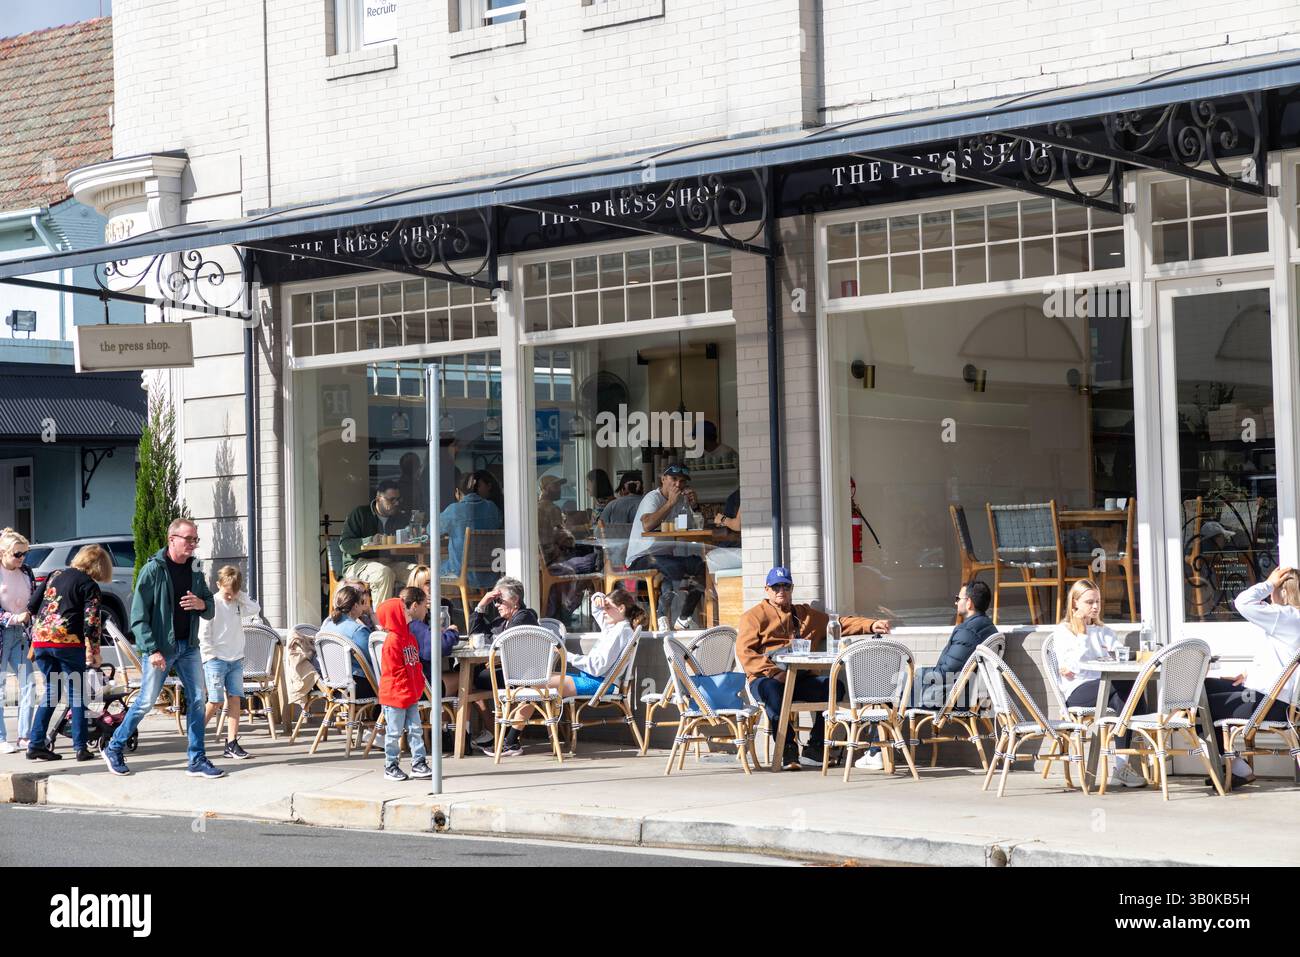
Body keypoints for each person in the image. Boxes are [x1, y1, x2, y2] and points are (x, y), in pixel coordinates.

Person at [736, 566, 888, 770]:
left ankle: (815, 748)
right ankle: (787, 749)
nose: (781, 591)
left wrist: (871, 625)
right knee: (774, 692)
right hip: (766, 679)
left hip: (800, 678)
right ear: (767, 589)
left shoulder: (805, 615)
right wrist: (774, 672)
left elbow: (839, 623)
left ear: (792, 588)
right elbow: (745, 653)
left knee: (834, 687)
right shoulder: (753, 617)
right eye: (776, 587)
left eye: (786, 586)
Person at [104, 520, 219, 778]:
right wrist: (152, 650)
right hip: (160, 648)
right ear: (172, 539)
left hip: (188, 646)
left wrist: (201, 603)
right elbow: (138, 617)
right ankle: (114, 746)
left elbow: (210, 605)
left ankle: (197, 759)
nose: (193, 544)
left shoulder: (196, 568)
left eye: (195, 539)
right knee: (146, 702)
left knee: (199, 699)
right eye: (189, 539)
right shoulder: (152, 570)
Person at [1208, 567, 1300, 787]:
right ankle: (1234, 765)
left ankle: (1236, 767)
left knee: (1199, 703)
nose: (1270, 596)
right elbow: (1281, 658)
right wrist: (1248, 674)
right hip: (1272, 700)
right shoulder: (1292, 619)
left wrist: (1268, 583)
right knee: (1205, 686)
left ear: (1284, 591)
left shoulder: (1285, 615)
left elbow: (1243, 602)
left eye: (1274, 589)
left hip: (1266, 704)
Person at [1050, 578, 1144, 788]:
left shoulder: (1105, 632)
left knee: (1129, 689)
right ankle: (1143, 738)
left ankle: (1121, 765)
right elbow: (1071, 667)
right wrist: (1082, 633)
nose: (1095, 606)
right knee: (1122, 687)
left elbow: (1119, 658)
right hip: (1077, 692)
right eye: (1089, 602)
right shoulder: (1064, 631)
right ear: (1074, 603)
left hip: (1104, 687)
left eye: (1098, 602)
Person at [25, 545, 110, 762]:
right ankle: (81, 747)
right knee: (77, 694)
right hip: (68, 644)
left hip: (42, 641)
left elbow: (33, 606)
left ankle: (35, 744)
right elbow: (92, 624)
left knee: (51, 692)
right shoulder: (90, 586)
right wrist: (95, 652)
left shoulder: (55, 575)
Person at [624, 464, 706, 630]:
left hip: (665, 558)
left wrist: (693, 506)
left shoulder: (680, 500)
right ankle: (660, 616)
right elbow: (647, 524)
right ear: (663, 479)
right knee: (669, 568)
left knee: (701, 566)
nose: (678, 484)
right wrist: (669, 503)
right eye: (674, 479)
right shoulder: (652, 498)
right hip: (641, 558)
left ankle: (684, 617)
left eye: (682, 481)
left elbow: (689, 528)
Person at [199, 565, 260, 761]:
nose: (229, 596)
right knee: (215, 700)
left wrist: (239, 594)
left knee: (235, 699)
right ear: (218, 585)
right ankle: (196, 737)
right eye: (227, 592)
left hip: (235, 659)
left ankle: (231, 742)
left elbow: (255, 608)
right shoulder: (213, 603)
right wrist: (210, 655)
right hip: (216, 659)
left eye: (233, 593)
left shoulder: (237, 603)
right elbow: (204, 633)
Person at [375, 589, 435, 781]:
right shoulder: (392, 641)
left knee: (416, 729)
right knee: (393, 733)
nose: (407, 611)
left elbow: (415, 665)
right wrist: (409, 687)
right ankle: (390, 765)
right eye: (402, 610)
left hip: (409, 694)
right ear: (395, 616)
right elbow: (393, 671)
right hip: (395, 695)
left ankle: (418, 763)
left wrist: (416, 686)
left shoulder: (409, 637)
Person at [912, 580, 997, 708]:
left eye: (958, 598)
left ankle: (881, 726)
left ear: (969, 603)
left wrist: (917, 672)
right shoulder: (989, 627)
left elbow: (947, 672)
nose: (956, 602)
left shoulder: (968, 632)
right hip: (968, 693)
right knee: (901, 688)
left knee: (894, 692)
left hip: (954, 697)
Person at [339, 481, 413, 605]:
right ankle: (382, 621)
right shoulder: (360, 514)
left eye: (398, 499)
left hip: (389, 562)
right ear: (379, 498)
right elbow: (345, 544)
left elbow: (407, 542)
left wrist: (415, 535)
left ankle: (415, 619)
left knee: (419, 573)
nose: (396, 503)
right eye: (392, 499)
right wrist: (368, 542)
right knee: (383, 573)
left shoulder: (400, 517)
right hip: (358, 563)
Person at [0, 528, 37, 753]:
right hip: (3, 635)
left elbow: (33, 598)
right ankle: (1, 738)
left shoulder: (26, 572)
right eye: (17, 554)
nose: (22, 558)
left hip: (22, 633)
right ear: (3, 552)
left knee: (30, 685)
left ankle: (25, 735)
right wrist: (13, 617)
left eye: (24, 553)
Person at [440, 470, 503, 590]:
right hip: (491, 574)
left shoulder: (453, 510)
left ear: (457, 492)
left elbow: (430, 530)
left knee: (429, 570)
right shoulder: (492, 508)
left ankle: (454, 606)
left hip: (462, 574)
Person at [321, 584, 376, 697]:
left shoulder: (326, 626)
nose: (363, 607)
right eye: (362, 603)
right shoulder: (357, 630)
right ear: (355, 606)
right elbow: (376, 658)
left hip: (332, 686)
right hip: (357, 687)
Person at [706, 489, 742, 574]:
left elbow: (738, 525)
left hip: (747, 550)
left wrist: (722, 519)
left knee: (709, 557)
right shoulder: (736, 496)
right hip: (747, 547)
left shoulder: (746, 492)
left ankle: (712, 587)